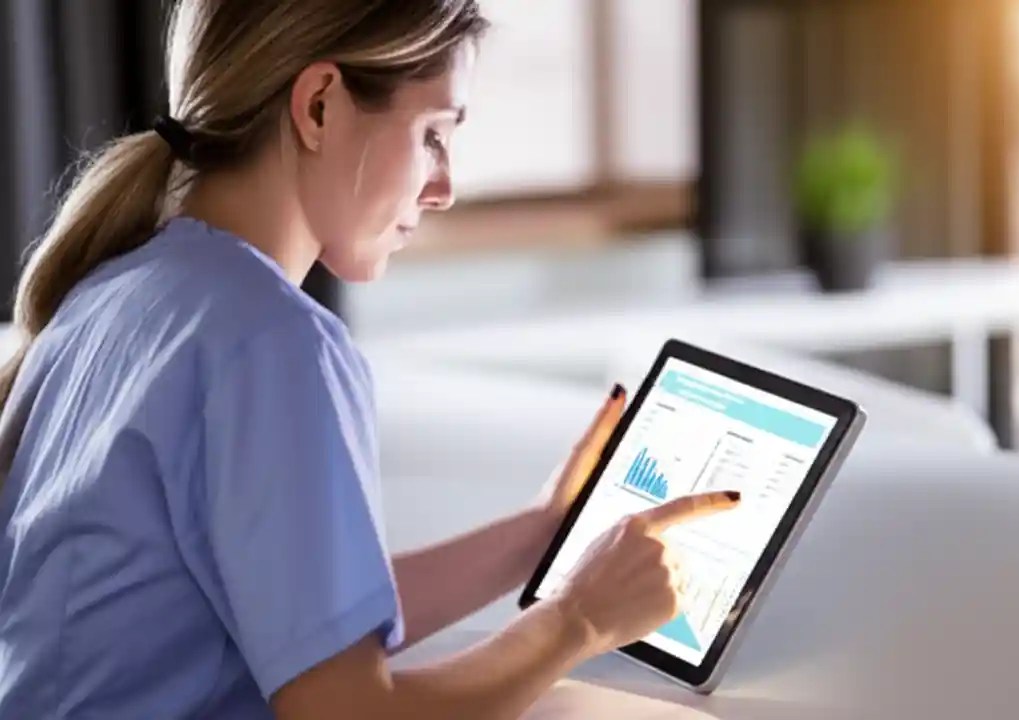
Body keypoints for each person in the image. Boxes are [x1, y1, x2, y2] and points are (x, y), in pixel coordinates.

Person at [0, 1, 741, 718]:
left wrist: (540, 535)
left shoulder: (118, 293)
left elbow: (301, 620)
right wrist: (577, 621)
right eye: (433, 135)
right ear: (319, 104)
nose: (445, 188)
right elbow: (350, 712)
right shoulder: (270, 343)